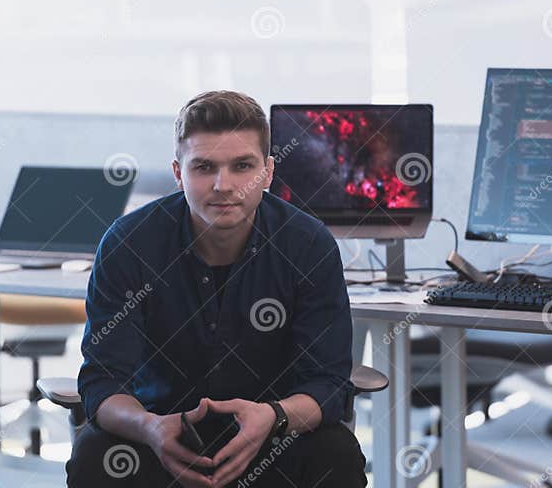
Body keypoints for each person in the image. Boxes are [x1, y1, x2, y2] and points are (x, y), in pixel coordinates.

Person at [66, 90, 368, 488]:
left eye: (242, 166)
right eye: (204, 167)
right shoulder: (129, 243)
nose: (223, 185)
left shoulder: (308, 244)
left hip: (272, 435)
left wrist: (274, 417)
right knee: (96, 454)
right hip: (160, 432)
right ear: (178, 173)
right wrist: (149, 428)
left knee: (336, 454)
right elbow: (103, 381)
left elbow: (327, 383)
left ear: (268, 171)